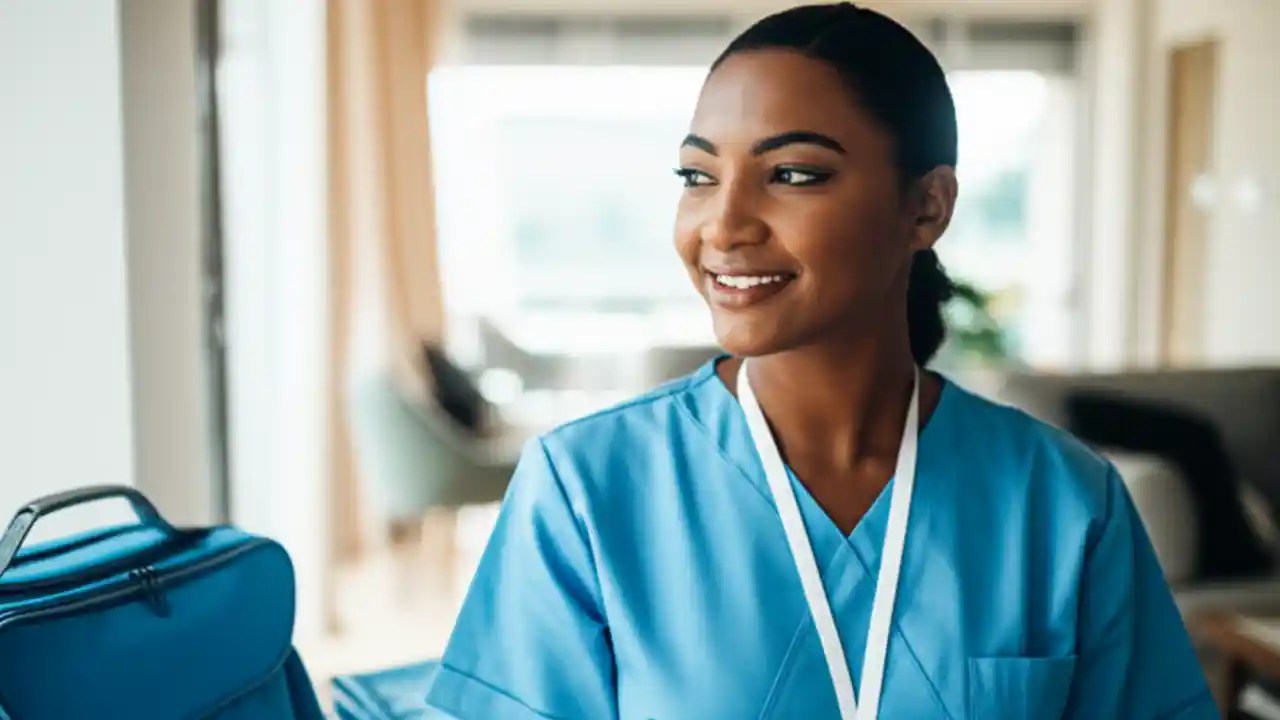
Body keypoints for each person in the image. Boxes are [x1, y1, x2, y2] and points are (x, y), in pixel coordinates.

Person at [425, 4, 1217, 718]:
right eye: (698, 176)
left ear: (927, 206)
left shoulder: (1064, 503)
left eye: (793, 175)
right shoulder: (587, 489)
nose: (724, 224)